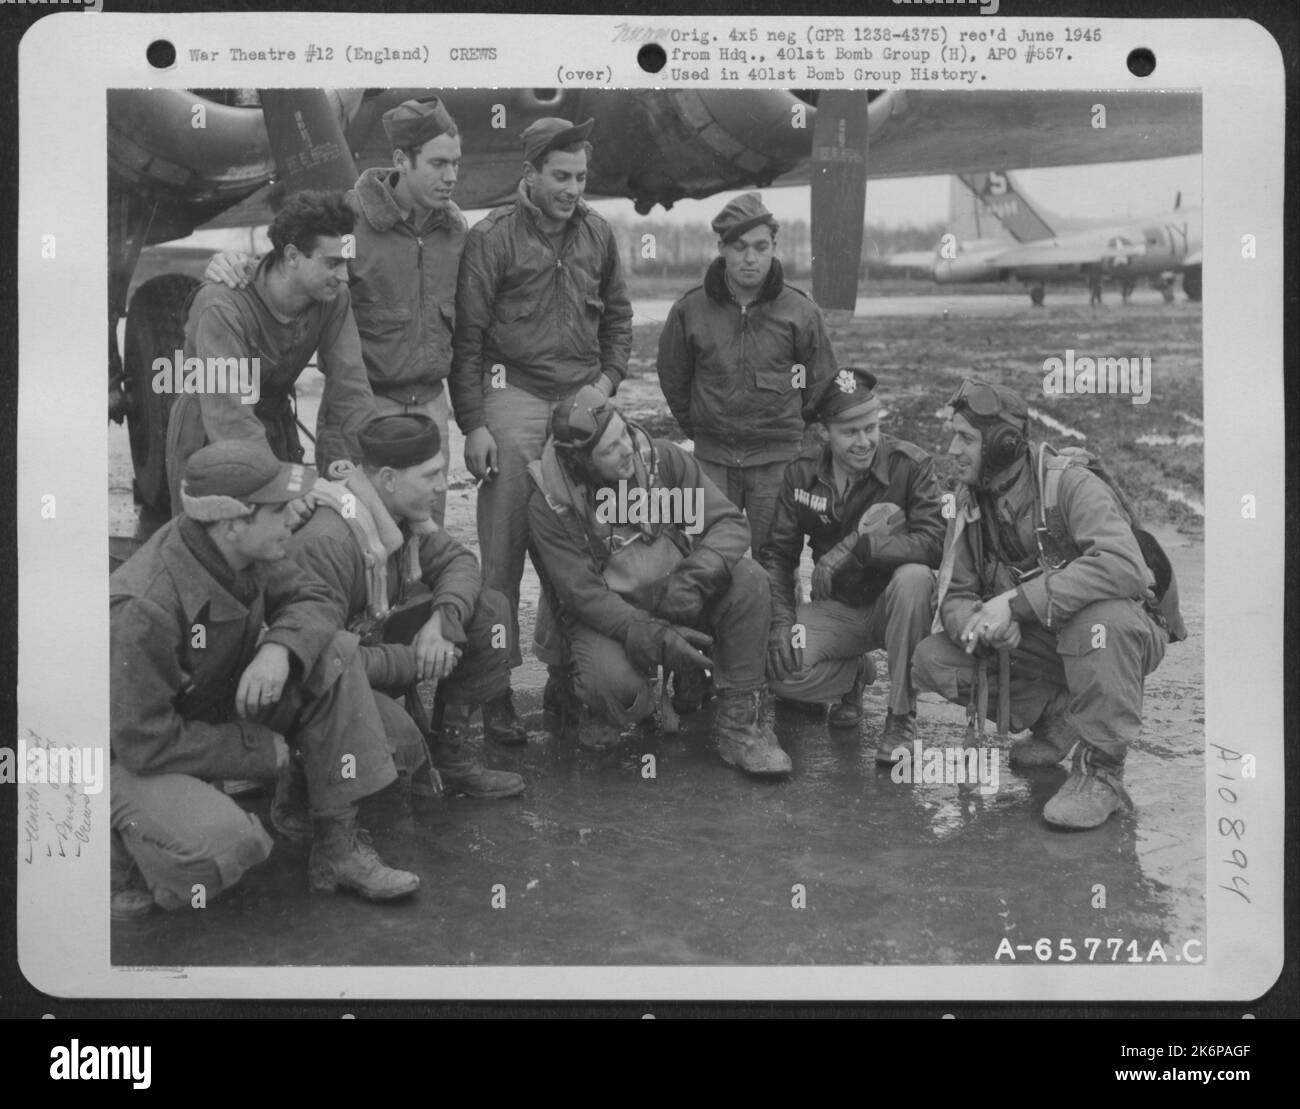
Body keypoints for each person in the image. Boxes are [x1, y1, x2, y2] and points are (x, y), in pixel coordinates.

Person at [110, 441, 421, 921]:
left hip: (204, 715)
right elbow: (142, 743)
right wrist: (257, 749)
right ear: (233, 522)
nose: (293, 517)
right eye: (278, 510)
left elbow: (314, 597)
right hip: (132, 756)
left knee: (336, 655)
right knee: (226, 848)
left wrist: (281, 649)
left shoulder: (238, 545)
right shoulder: (144, 608)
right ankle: (122, 854)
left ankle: (337, 852)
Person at [910, 380, 1169, 829]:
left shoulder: (1069, 483)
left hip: (1121, 632)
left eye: (966, 438)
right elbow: (954, 596)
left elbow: (1124, 567)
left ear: (1003, 444)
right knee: (934, 659)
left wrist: (1016, 603)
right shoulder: (969, 503)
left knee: (1099, 623)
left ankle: (1102, 772)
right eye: (954, 435)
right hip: (1048, 638)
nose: (952, 449)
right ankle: (1060, 718)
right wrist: (982, 623)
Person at [203, 97, 466, 526]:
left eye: (456, 163)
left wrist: (470, 420)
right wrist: (232, 266)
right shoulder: (347, 221)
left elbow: (465, 332)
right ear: (402, 159)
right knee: (341, 533)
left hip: (428, 407)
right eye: (439, 163)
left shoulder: (454, 230)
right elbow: (294, 266)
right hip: (345, 411)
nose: (452, 176)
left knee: (422, 529)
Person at [450, 116, 633, 696]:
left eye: (580, 177)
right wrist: (475, 424)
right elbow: (468, 340)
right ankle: (493, 687)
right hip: (515, 392)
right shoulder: (492, 237)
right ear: (529, 173)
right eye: (561, 176)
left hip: (582, 399)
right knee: (502, 553)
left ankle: (569, 674)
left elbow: (620, 320)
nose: (573, 189)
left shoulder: (599, 234)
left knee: (582, 545)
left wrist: (604, 386)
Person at [526, 385, 791, 777]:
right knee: (614, 688)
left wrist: (696, 577)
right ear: (580, 462)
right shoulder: (551, 505)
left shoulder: (662, 459)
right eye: (610, 450)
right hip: (610, 618)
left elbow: (729, 524)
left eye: (625, 435)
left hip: (676, 592)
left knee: (749, 579)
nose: (627, 451)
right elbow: (582, 597)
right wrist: (648, 633)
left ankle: (740, 727)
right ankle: (615, 701)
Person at [286, 414, 527, 798]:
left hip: (368, 653)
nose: (441, 486)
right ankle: (305, 804)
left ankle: (451, 759)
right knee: (402, 743)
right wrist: (415, 659)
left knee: (488, 611)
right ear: (388, 479)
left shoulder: (397, 514)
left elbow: (460, 562)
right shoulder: (329, 542)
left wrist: (444, 622)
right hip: (322, 683)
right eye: (430, 476)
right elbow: (321, 661)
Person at [760, 368, 944, 758]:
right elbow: (778, 555)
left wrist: (864, 548)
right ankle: (854, 675)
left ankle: (901, 715)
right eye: (850, 432)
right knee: (778, 667)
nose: (864, 442)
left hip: (897, 604)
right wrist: (780, 624)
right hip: (839, 608)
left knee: (914, 578)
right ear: (825, 432)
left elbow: (935, 543)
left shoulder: (910, 465)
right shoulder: (802, 474)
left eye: (871, 428)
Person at [166, 190, 377, 517]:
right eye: (333, 262)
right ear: (292, 256)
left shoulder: (335, 298)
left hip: (273, 424)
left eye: (347, 262)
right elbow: (229, 416)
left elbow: (350, 387)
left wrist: (341, 461)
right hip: (210, 434)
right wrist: (281, 488)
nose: (344, 276)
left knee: (284, 541)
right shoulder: (221, 306)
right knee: (220, 544)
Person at [657, 192, 837, 554]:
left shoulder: (800, 312)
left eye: (760, 246)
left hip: (776, 464)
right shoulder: (689, 309)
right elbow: (674, 378)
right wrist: (701, 427)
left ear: (774, 246)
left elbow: (819, 383)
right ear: (721, 247)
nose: (750, 258)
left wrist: (787, 425)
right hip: (711, 462)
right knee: (709, 560)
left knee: (775, 563)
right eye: (739, 247)